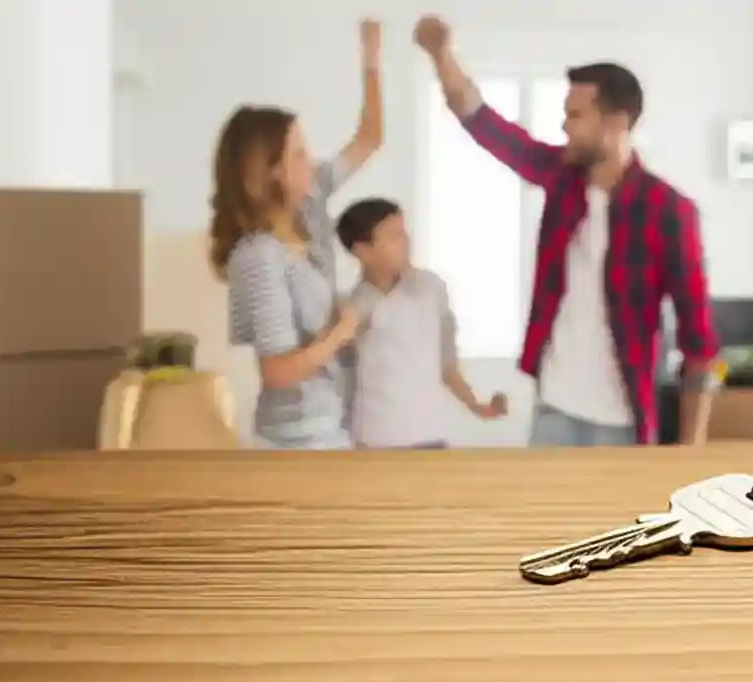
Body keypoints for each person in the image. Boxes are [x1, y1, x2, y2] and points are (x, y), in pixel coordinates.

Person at [413, 16, 720, 447]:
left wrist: (691, 448)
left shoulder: (669, 211)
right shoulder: (561, 179)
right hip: (554, 407)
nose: (564, 126)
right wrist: (441, 54)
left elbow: (699, 342)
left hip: (621, 422)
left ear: (616, 123)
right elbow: (484, 124)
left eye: (575, 115)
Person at [209, 20, 383, 449]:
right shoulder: (259, 256)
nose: (312, 161)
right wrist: (342, 331)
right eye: (300, 154)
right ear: (270, 171)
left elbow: (370, 137)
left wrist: (371, 60)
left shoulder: (309, 203)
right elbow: (277, 372)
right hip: (296, 439)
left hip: (333, 422)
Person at [335, 198, 507, 449]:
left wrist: (474, 404)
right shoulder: (351, 307)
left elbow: (446, 362)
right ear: (362, 251)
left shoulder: (432, 288)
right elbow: (343, 379)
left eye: (404, 233)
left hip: (430, 437)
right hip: (374, 440)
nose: (405, 242)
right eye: (393, 236)